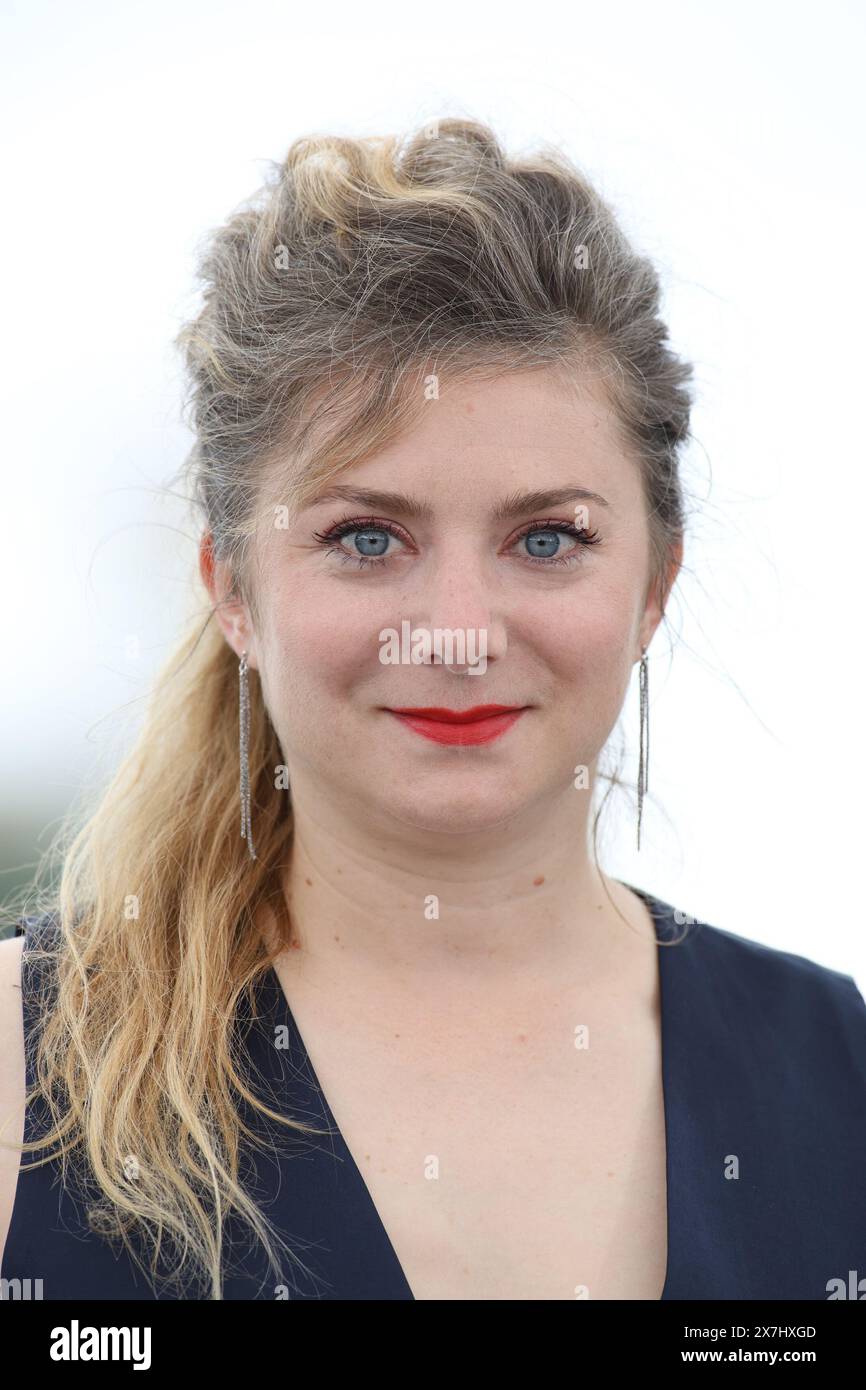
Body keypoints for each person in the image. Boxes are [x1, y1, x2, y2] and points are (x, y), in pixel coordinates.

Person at [2, 117, 865, 1302]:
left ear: (653, 585)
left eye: (546, 539)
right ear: (231, 591)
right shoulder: (21, 1071)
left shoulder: (835, 1076)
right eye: (367, 538)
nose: (457, 633)